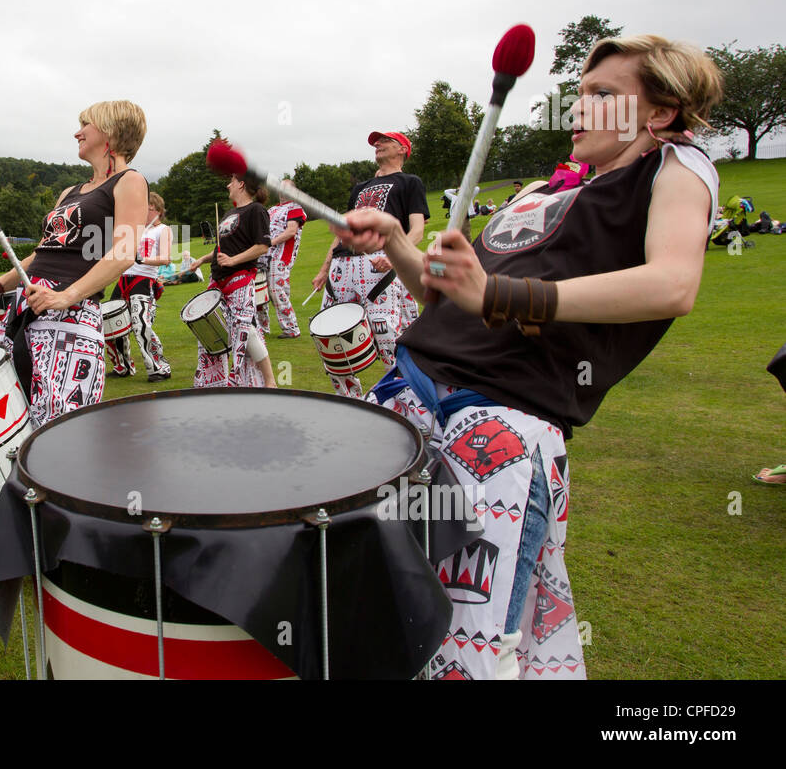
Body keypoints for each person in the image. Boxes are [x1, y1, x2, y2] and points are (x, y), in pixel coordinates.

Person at [342, 34, 723, 679]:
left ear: (659, 114)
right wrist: (400, 250)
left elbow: (673, 283)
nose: (577, 108)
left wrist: (500, 291)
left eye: (602, 95)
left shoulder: (677, 167)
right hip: (412, 392)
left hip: (496, 423)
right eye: (577, 93)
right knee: (382, 604)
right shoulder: (544, 191)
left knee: (455, 643)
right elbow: (446, 302)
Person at [0, 101, 148, 428]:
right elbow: (42, 253)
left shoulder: (129, 181)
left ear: (110, 132)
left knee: (56, 424)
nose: (77, 132)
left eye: (85, 125)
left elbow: (124, 252)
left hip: (71, 315)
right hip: (29, 305)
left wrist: (67, 296)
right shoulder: (69, 192)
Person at [313, 131, 428, 397]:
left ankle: (407, 403)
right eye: (376, 142)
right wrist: (323, 269)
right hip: (341, 266)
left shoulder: (410, 182)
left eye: (385, 141)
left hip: (377, 265)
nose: (377, 144)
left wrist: (395, 255)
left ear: (402, 149)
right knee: (330, 337)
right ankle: (349, 401)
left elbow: (418, 230)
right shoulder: (360, 188)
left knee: (386, 334)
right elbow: (343, 232)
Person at [188, 173, 275, 388]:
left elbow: (263, 245)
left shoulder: (256, 210)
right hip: (218, 280)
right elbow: (221, 249)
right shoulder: (230, 213)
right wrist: (202, 259)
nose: (228, 185)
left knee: (245, 330)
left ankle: (269, 381)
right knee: (212, 331)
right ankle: (215, 383)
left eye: (232, 181)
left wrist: (233, 260)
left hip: (240, 278)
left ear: (241, 184)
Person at [109, 190, 173, 382]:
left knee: (141, 325)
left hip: (144, 280)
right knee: (111, 324)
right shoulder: (135, 230)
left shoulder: (163, 230)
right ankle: (123, 366)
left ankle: (159, 368)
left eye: (146, 207)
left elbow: (166, 258)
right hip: (124, 279)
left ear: (155, 209)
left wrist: (142, 259)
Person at [263, 180, 307, 338]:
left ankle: (291, 328)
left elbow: (291, 231)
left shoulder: (295, 207)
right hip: (264, 256)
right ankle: (263, 328)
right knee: (261, 292)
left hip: (281, 256)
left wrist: (269, 243)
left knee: (277, 290)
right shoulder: (272, 209)